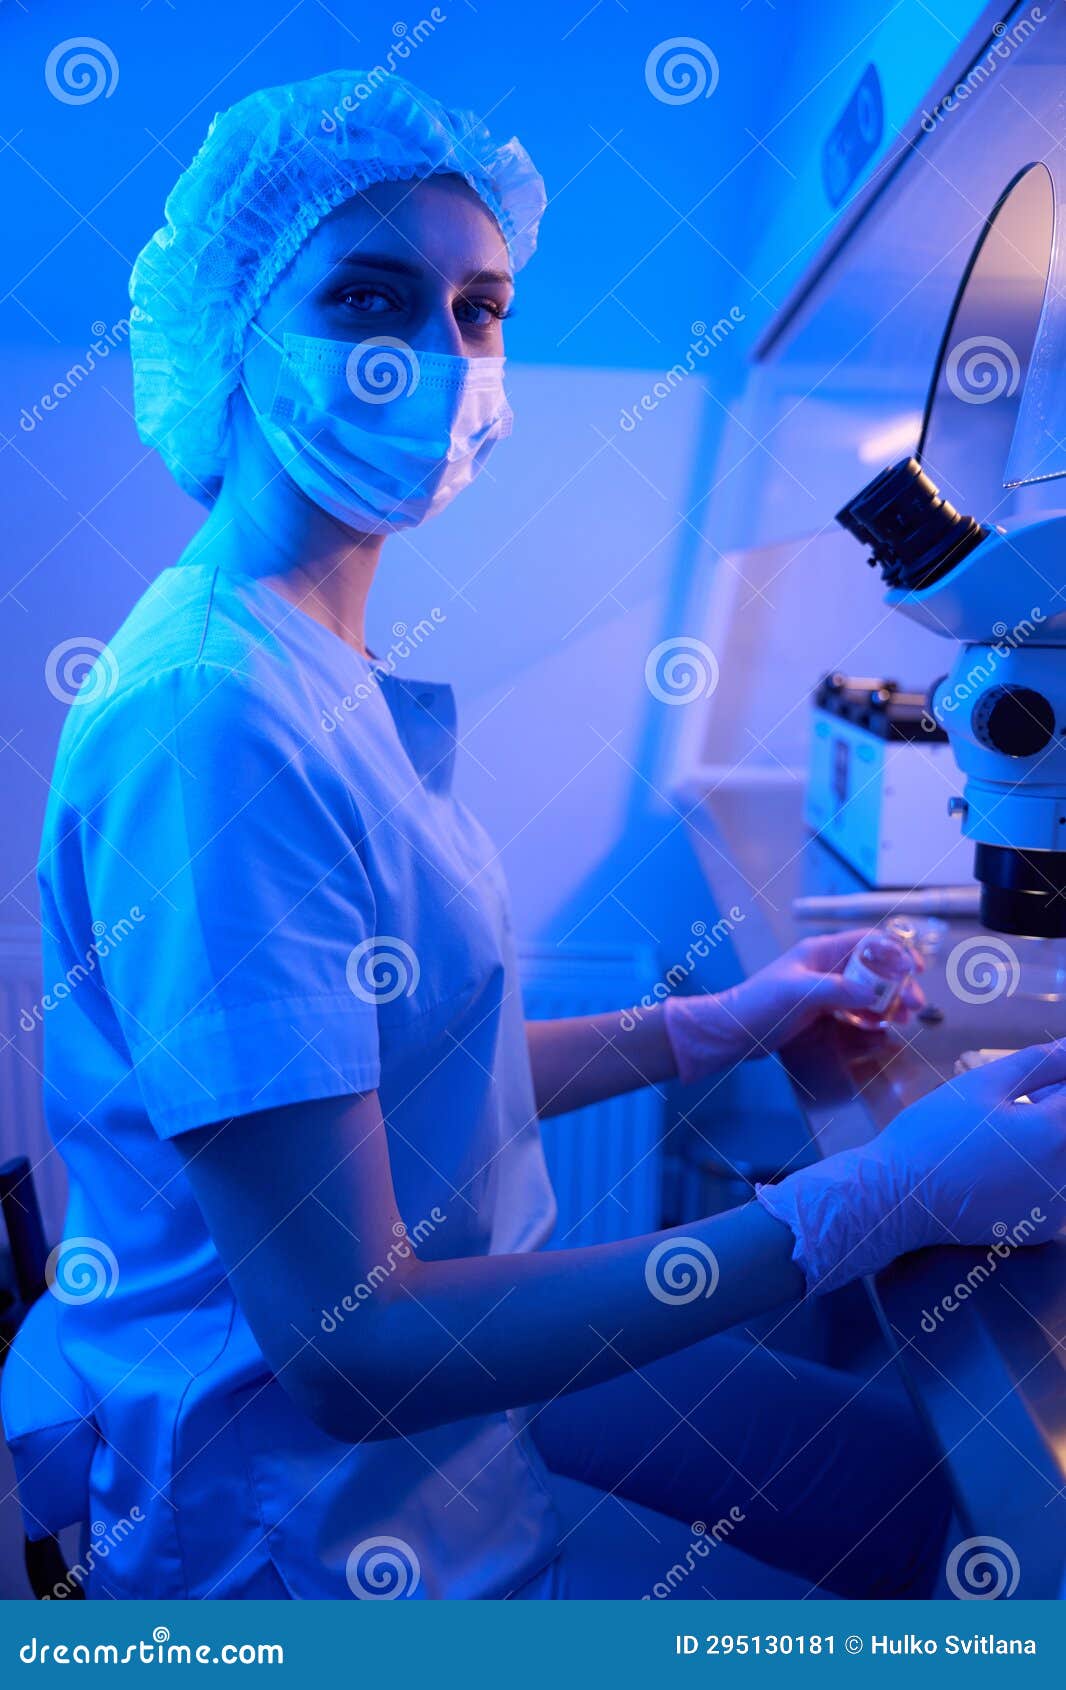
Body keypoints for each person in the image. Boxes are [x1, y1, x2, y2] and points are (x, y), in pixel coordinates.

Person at [27, 70, 1066, 1601]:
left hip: (436, 1431)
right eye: (370, 297)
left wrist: (707, 1022)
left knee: (908, 1514)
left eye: (479, 308)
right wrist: (879, 1194)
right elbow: (350, 1346)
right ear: (237, 331)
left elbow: (384, 1073)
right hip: (303, 1532)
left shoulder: (307, 662)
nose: (441, 357)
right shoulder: (213, 725)